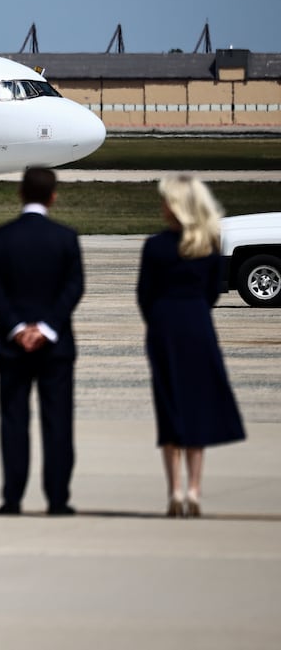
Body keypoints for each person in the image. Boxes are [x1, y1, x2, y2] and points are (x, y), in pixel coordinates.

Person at [138, 175, 246, 518]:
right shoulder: (210, 244)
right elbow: (213, 292)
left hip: (164, 326)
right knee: (197, 405)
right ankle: (195, 489)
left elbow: (144, 295)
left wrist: (158, 320)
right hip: (198, 325)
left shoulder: (155, 246)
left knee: (169, 404)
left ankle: (174, 490)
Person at [0, 166, 85, 516]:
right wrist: (46, 328)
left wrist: (17, 328)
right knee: (58, 424)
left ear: (19, 194)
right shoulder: (66, 238)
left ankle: (12, 499)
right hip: (56, 348)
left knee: (14, 424)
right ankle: (58, 499)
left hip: (12, 346)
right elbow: (74, 288)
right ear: (53, 196)